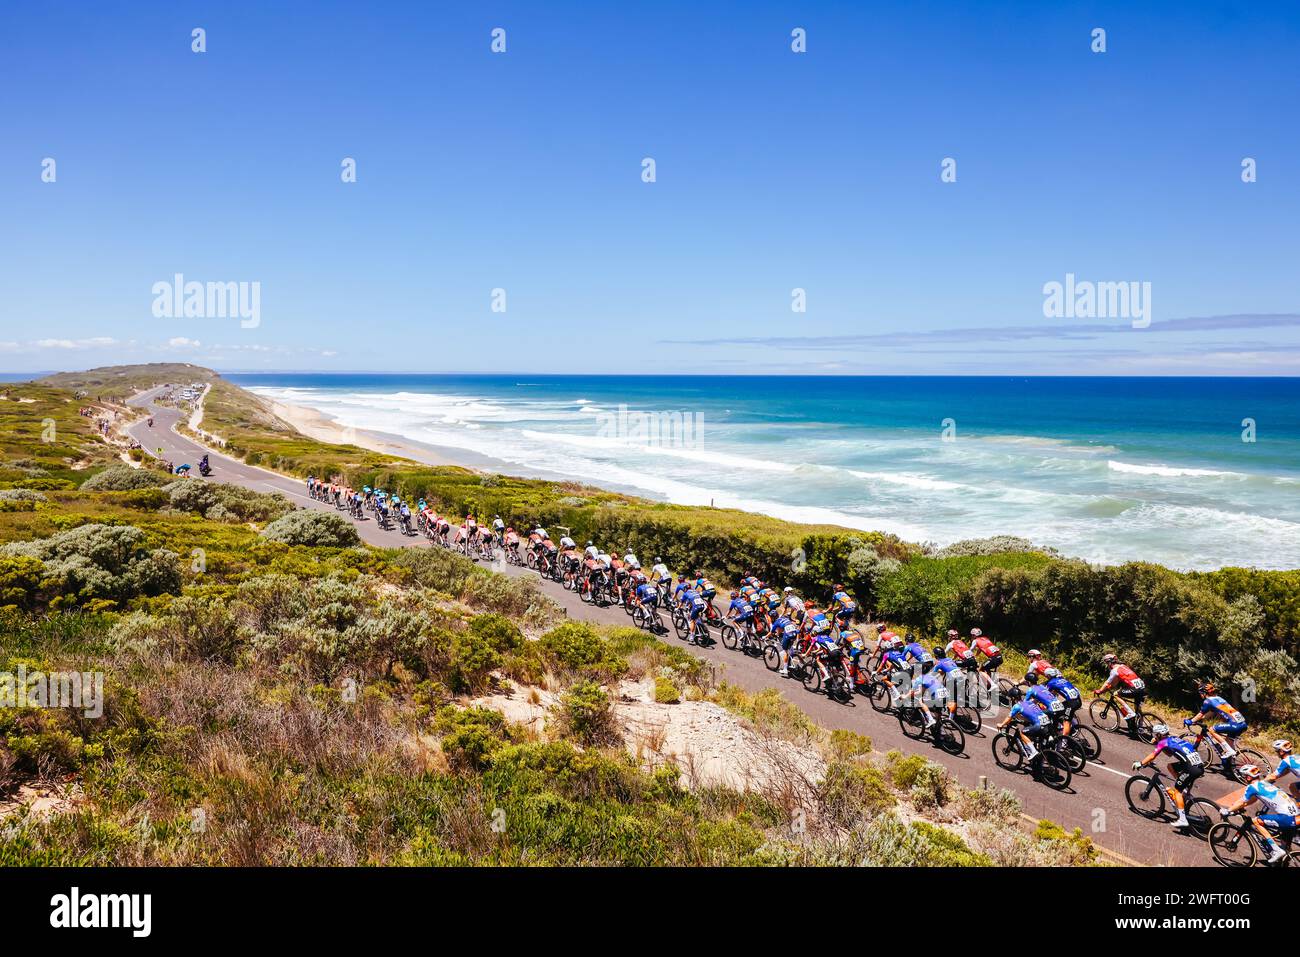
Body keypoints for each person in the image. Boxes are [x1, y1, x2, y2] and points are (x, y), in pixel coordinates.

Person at [1218, 765, 1297, 865]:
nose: (1243, 778)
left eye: (1244, 776)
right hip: (1296, 815)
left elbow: (1242, 801)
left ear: (1249, 777)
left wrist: (1228, 810)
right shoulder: (1265, 783)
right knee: (1285, 846)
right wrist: (1241, 806)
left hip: (1287, 818)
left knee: (1256, 821)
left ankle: (1276, 850)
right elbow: (1253, 799)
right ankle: (1284, 858)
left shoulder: (1252, 787)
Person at [1132, 724, 1205, 830]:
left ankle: (1182, 819)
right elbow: (1169, 754)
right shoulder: (1174, 738)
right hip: (1198, 765)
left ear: (1159, 734)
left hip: (1191, 768)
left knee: (1177, 791)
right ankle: (1183, 785)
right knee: (1170, 766)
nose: (1155, 736)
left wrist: (1141, 763)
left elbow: (1153, 756)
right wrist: (1157, 743)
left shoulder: (1162, 742)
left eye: (1156, 735)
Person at [1185, 680, 1247, 769]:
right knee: (1228, 741)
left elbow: (1201, 714)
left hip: (1235, 724)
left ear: (1204, 693)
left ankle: (1229, 752)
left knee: (1212, 730)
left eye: (1200, 693)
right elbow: (1210, 713)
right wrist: (1199, 719)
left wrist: (1190, 721)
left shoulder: (1208, 701)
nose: (1200, 695)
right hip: (1242, 723)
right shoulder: (1218, 698)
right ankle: (1230, 766)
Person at [1094, 653, 1146, 735]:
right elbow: (1113, 684)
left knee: (1116, 694)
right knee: (1138, 709)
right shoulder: (1123, 666)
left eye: (1107, 663)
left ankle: (1130, 713)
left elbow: (1107, 683)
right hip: (1142, 688)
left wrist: (1100, 691)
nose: (1107, 665)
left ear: (1110, 662)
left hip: (1135, 689)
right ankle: (1140, 727)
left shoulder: (1114, 670)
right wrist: (1108, 688)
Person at [997, 687, 1052, 760]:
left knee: (1023, 733)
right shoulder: (1029, 702)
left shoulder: (1017, 706)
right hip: (1047, 723)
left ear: (1013, 698)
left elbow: (1008, 718)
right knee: (1035, 736)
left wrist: (1001, 724)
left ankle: (1033, 751)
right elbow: (1031, 714)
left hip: (1039, 725)